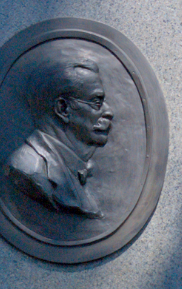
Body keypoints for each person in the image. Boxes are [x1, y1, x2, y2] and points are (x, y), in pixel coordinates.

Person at [7, 52, 113, 218]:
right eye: (97, 102)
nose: (108, 112)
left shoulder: (78, 169)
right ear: (63, 109)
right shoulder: (29, 169)